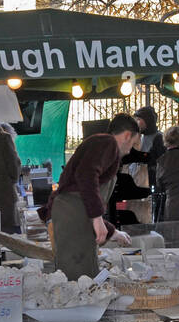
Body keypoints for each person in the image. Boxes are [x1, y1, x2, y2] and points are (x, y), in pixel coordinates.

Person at [39, 114, 137, 280]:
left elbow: (84, 200)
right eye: (134, 142)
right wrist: (97, 218)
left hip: (75, 213)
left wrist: (111, 231)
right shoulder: (107, 142)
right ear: (127, 135)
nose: (131, 149)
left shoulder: (102, 145)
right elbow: (86, 175)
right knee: (77, 276)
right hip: (72, 214)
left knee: (83, 275)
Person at [122, 106, 166, 223]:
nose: (137, 122)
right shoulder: (137, 136)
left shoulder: (158, 137)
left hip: (148, 179)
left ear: (148, 120)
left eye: (139, 119)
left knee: (147, 210)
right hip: (134, 177)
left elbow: (159, 160)